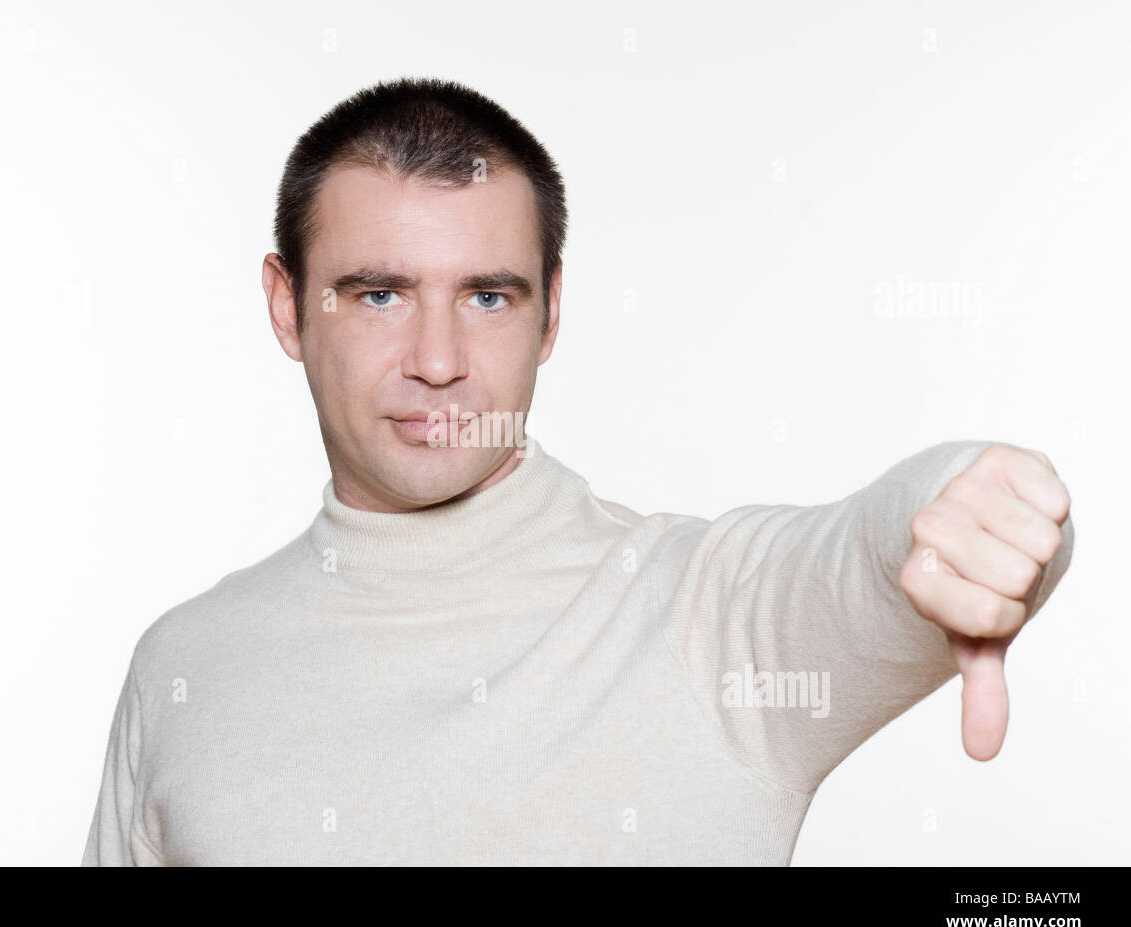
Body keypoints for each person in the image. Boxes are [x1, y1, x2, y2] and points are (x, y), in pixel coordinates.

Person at [81, 76, 1074, 865]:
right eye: (378, 293)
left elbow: (863, 556)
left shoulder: (708, 613)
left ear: (550, 311)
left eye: (487, 296)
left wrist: (968, 504)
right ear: (287, 306)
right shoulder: (183, 665)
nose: (437, 357)